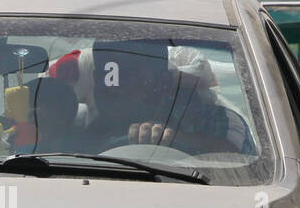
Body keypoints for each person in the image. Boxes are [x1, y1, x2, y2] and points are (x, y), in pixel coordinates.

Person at [86, 38, 253, 154]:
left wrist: (172, 139)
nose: (114, 86)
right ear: (94, 79)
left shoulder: (215, 121)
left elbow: (237, 162)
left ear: (163, 81)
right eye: (105, 75)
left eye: (129, 75)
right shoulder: (80, 133)